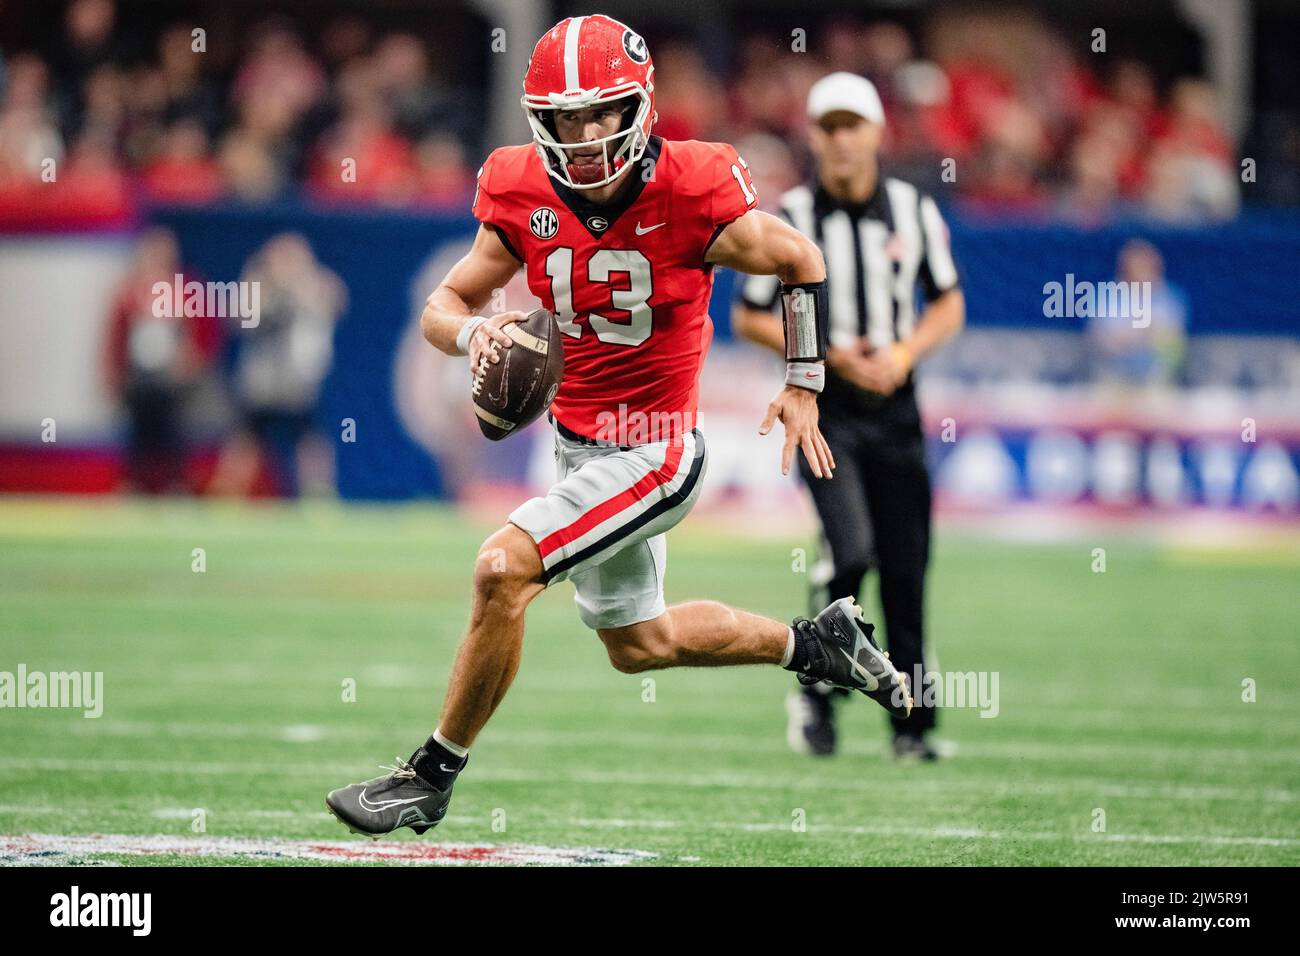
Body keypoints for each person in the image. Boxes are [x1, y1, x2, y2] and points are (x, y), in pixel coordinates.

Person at [325, 16, 912, 837]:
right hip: (574, 448)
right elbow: (443, 304)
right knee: (641, 644)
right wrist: (474, 333)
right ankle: (816, 644)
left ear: (639, 107)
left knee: (501, 570)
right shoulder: (520, 187)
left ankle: (429, 777)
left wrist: (805, 380)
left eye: (602, 112)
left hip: (657, 451)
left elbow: (798, 259)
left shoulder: (693, 184)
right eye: (568, 118)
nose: (588, 134)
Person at [733, 73, 964, 761]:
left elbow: (948, 301)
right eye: (828, 127)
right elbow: (748, 315)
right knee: (850, 550)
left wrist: (903, 353)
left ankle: (912, 727)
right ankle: (815, 691)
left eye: (851, 126)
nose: (840, 140)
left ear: (876, 133)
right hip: (824, 409)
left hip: (897, 409)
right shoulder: (790, 215)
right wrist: (829, 356)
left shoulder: (913, 210)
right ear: (812, 135)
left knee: (907, 567)